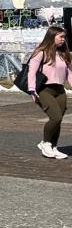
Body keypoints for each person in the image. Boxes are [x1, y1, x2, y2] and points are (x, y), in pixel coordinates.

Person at [28, 26, 71, 159]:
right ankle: (45, 143)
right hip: (44, 90)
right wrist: (32, 90)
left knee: (58, 120)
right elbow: (32, 72)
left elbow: (70, 74)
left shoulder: (63, 54)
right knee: (55, 117)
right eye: (60, 37)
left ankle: (54, 147)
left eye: (64, 37)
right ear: (52, 36)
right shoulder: (41, 52)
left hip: (59, 90)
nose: (63, 39)